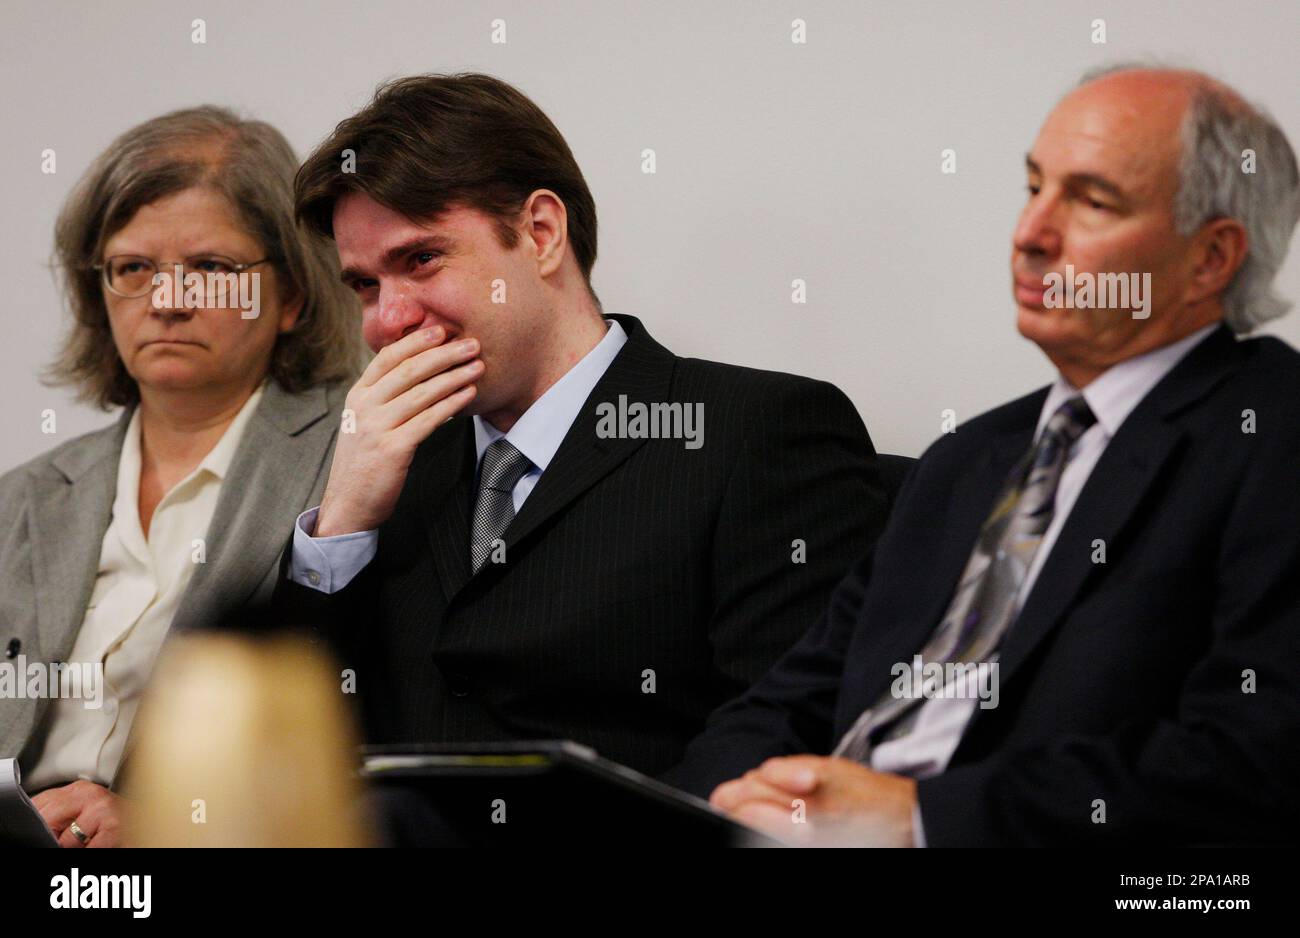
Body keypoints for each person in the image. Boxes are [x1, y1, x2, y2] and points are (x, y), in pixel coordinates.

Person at [663, 65, 1300, 846]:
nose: (1031, 233)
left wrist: (920, 820)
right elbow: (790, 697)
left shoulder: (1270, 435)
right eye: (1034, 187)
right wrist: (706, 812)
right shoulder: (968, 459)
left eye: (1092, 202)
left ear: (1210, 259)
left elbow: (1253, 759)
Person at [274, 73, 890, 776]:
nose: (387, 321)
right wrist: (343, 524)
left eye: (421, 260)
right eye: (364, 285)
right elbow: (279, 752)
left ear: (540, 233)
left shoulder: (757, 433)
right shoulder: (391, 460)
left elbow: (786, 742)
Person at [0, 106, 365, 847]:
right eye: (133, 269)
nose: (166, 301)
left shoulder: (359, 460)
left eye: (210, 268)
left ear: (291, 295)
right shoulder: (24, 499)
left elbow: (363, 731)